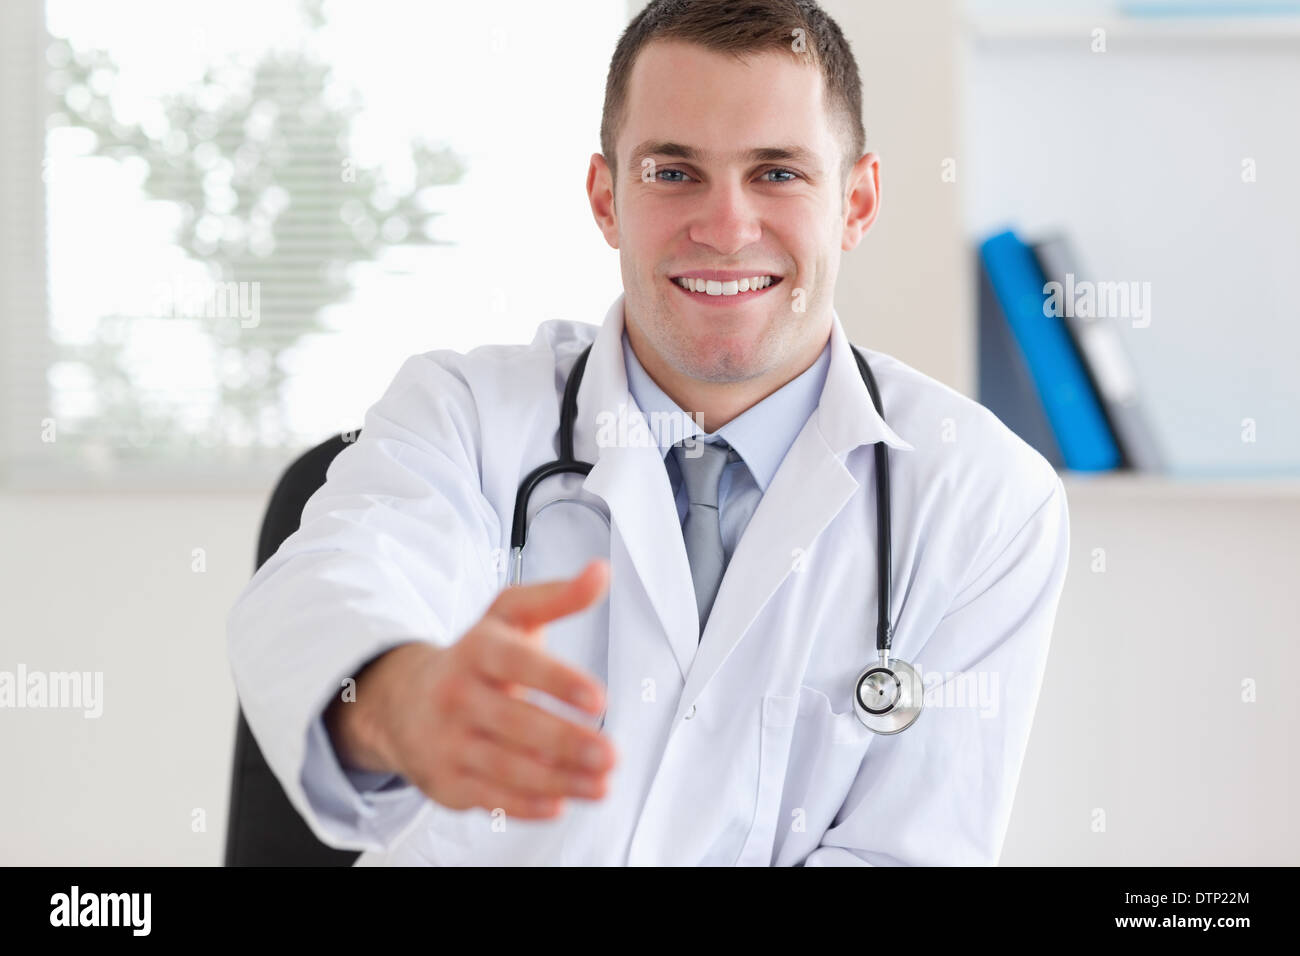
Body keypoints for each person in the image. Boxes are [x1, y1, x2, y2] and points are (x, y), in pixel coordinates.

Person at [227, 0, 1070, 866]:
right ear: (607, 199)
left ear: (856, 203)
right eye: (675, 172)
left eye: (777, 173)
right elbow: (328, 586)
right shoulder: (462, 414)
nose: (726, 228)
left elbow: (907, 853)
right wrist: (400, 699)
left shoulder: (986, 497)